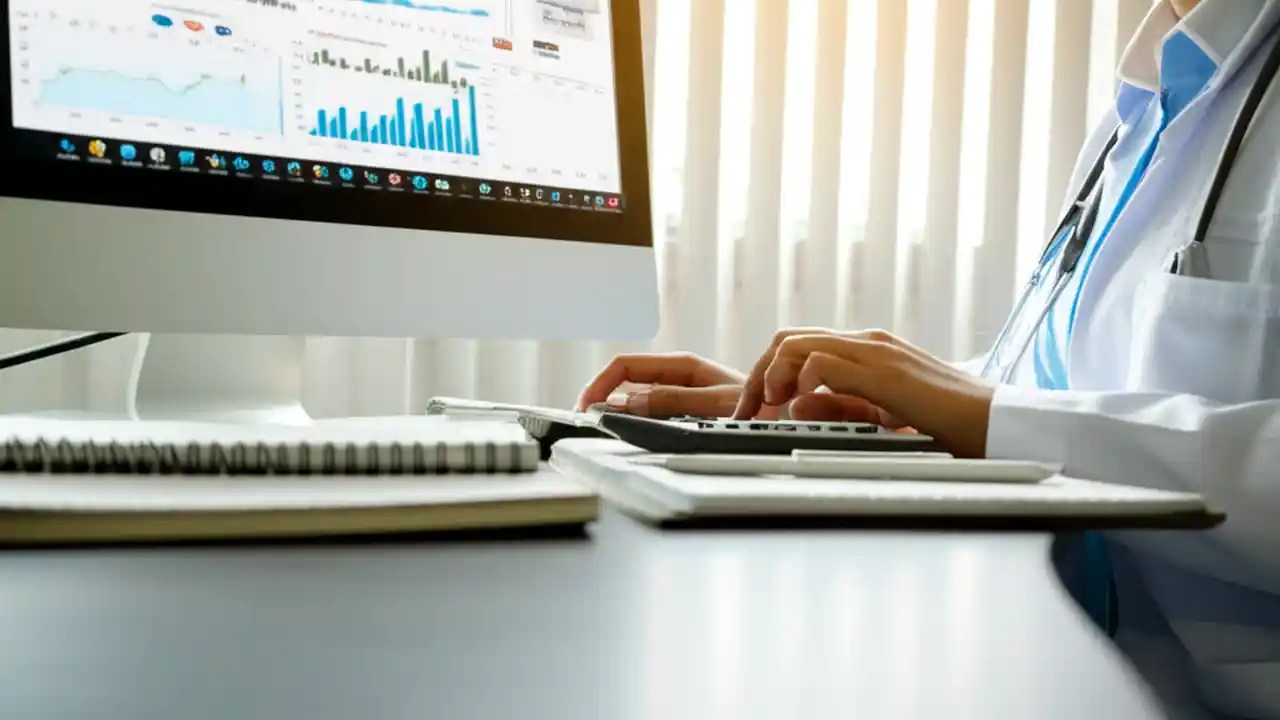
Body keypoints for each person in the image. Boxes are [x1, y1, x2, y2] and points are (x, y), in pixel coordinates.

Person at [578, 1, 1280, 717]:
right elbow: (1050, 383)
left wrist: (984, 416)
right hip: (1052, 664)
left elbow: (1019, 416)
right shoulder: (1142, 103)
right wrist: (836, 413)